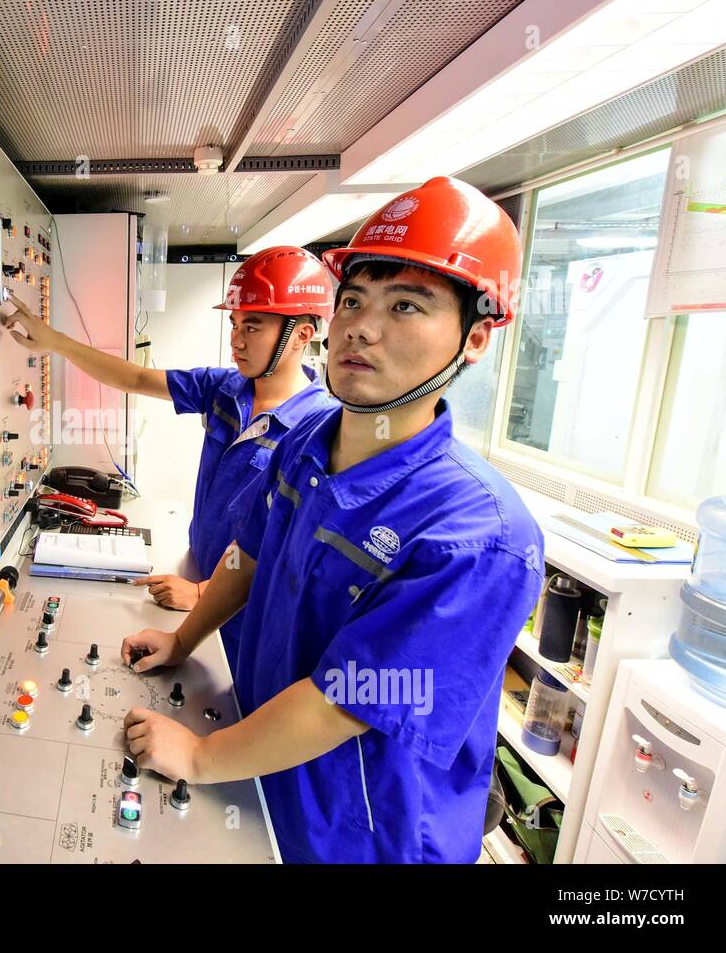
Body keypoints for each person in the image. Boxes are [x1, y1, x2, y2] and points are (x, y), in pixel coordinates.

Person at [120, 177, 545, 863]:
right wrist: (186, 638)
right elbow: (247, 558)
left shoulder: (478, 534)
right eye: (353, 300)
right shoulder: (303, 446)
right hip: (259, 762)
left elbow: (344, 700)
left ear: (475, 339)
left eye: (406, 305)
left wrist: (200, 759)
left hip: (358, 832)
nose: (361, 327)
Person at [0, 247, 334, 669]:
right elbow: (135, 378)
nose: (236, 339)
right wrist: (56, 343)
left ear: (301, 335)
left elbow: (293, 548)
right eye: (234, 323)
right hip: (197, 573)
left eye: (253, 325)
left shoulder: (317, 430)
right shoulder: (225, 389)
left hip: (244, 613)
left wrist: (201, 594)